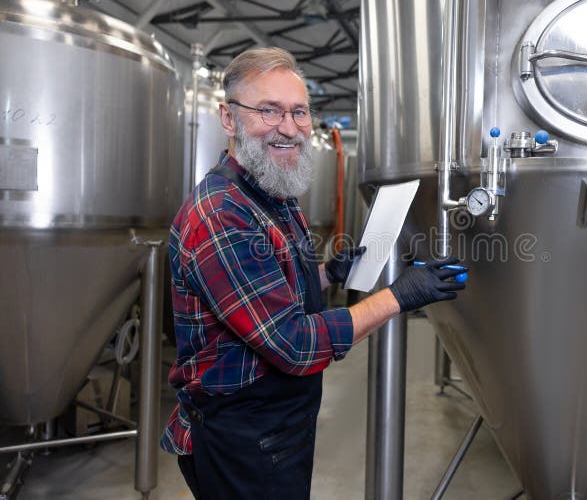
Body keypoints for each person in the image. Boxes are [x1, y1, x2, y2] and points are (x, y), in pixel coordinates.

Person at [160, 46, 466, 500]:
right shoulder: (222, 214)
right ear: (228, 119)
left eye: (298, 112)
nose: (289, 127)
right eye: (269, 110)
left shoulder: (271, 195)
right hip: (242, 437)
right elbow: (293, 344)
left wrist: (328, 273)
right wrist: (400, 296)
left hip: (277, 427)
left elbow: (268, 291)